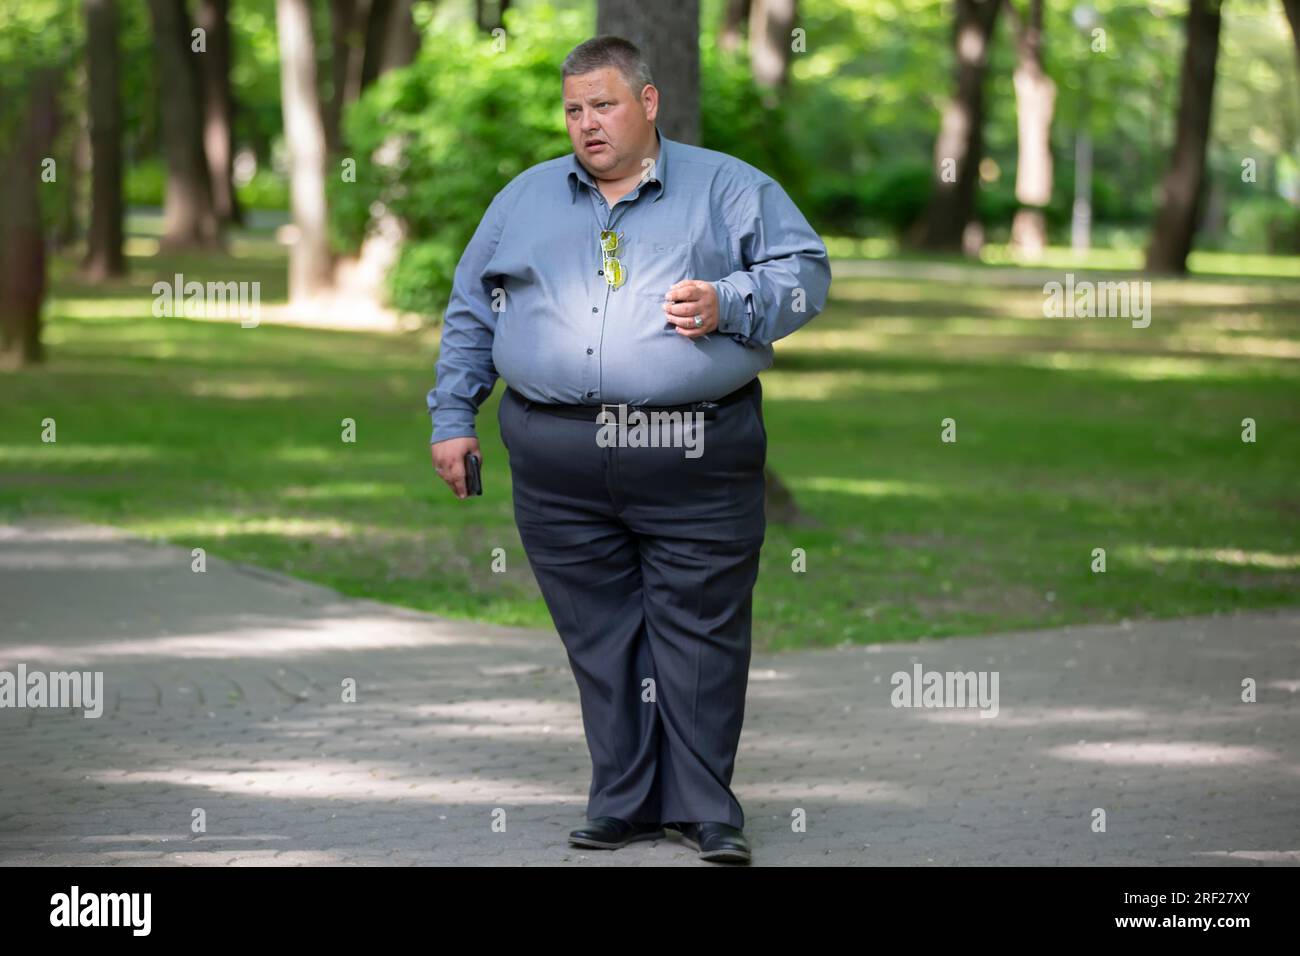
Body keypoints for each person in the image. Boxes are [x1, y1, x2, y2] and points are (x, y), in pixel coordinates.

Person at [427, 34, 830, 864]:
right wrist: (452, 417)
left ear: (649, 103)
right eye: (574, 109)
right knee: (600, 635)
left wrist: (731, 300)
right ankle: (623, 801)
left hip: (693, 448)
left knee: (700, 631)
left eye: (603, 104)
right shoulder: (526, 199)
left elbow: (807, 273)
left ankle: (704, 807)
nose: (586, 124)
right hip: (557, 455)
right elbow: (473, 309)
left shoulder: (729, 187)